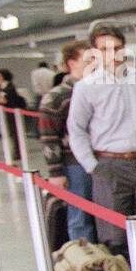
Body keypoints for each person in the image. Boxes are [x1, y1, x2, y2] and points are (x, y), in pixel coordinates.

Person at [66, 22, 136, 257]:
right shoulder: (86, 87)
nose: (112, 55)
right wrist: (92, 166)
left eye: (117, 48)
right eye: (104, 50)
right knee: (114, 236)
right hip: (109, 165)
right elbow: (76, 130)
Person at [39, 40, 98, 243]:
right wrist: (55, 172)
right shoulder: (56, 97)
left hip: (103, 160)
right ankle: (86, 262)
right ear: (72, 63)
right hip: (74, 166)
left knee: (104, 216)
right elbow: (49, 137)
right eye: (88, 60)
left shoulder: (102, 89)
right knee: (80, 217)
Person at [0, 69, 27, 155]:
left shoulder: (10, 87)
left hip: (11, 113)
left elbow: (7, 100)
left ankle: (18, 151)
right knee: (10, 132)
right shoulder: (0, 86)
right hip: (4, 113)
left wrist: (1, 100)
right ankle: (14, 150)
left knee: (15, 132)